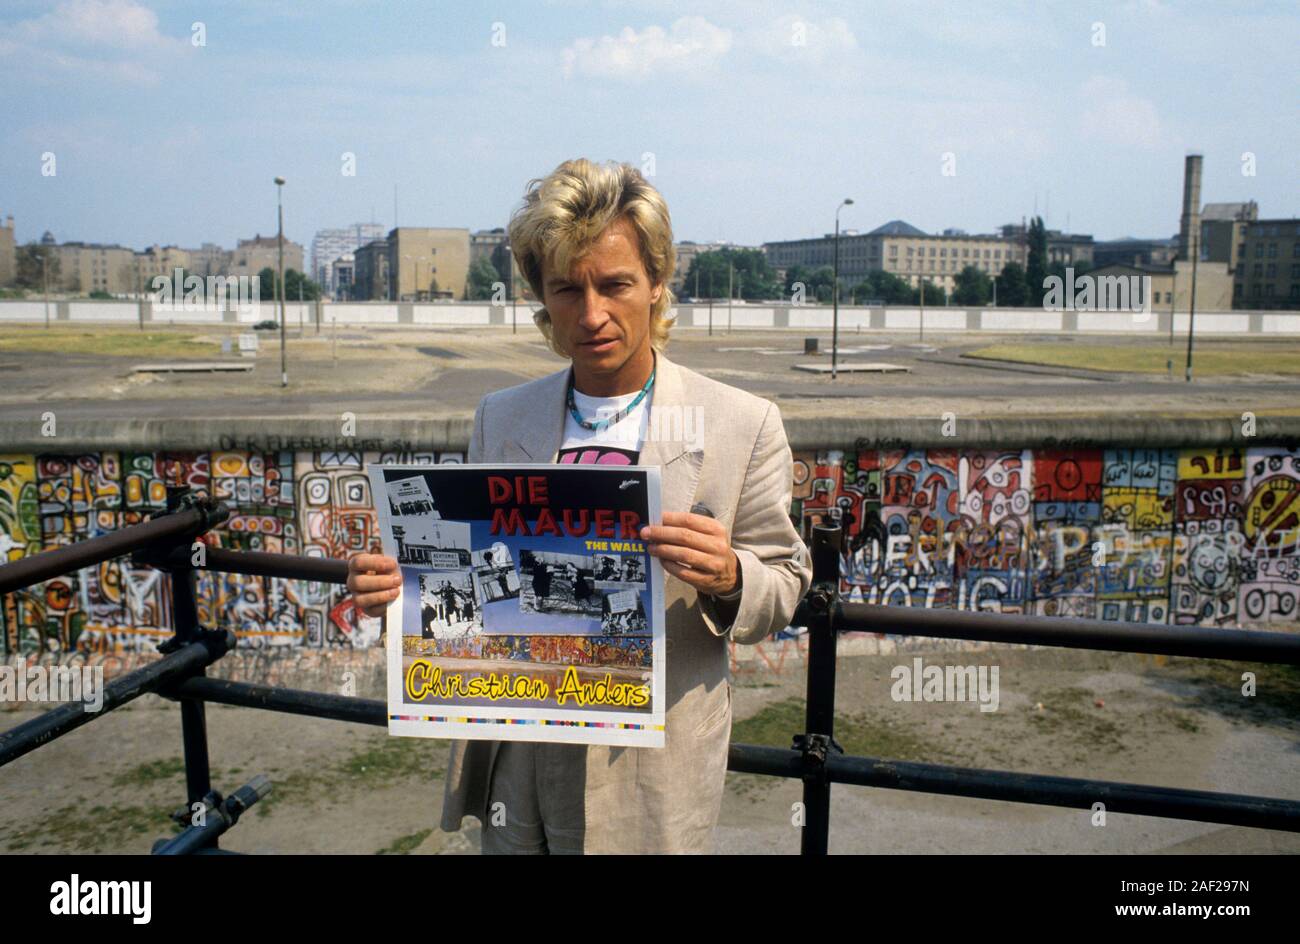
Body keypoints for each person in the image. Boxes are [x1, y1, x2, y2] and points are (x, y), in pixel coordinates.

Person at [347, 158, 811, 854]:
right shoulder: (500, 416)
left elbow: (786, 586)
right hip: (519, 758)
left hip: (650, 770)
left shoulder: (741, 423)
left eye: (616, 284)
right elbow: (474, 590)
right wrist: (404, 592)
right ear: (541, 297)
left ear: (657, 283)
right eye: (567, 288)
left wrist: (733, 576)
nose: (592, 314)